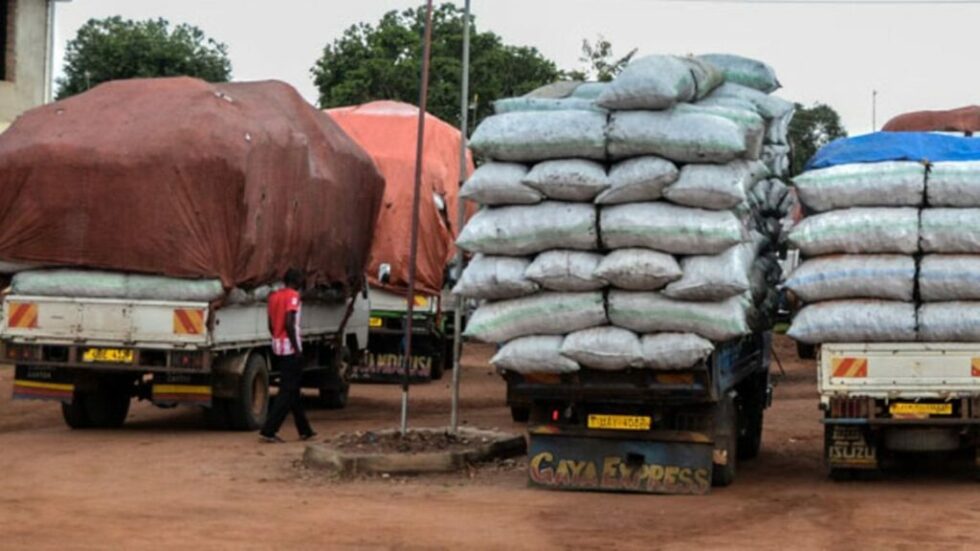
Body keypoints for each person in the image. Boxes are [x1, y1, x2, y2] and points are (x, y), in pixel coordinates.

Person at [259, 268, 316, 443]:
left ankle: (304, 429)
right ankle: (269, 430)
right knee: (287, 391)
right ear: (296, 280)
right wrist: (297, 349)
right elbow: (289, 323)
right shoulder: (293, 296)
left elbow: (270, 324)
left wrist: (277, 336)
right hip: (290, 348)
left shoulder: (274, 296)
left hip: (278, 346)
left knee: (293, 390)